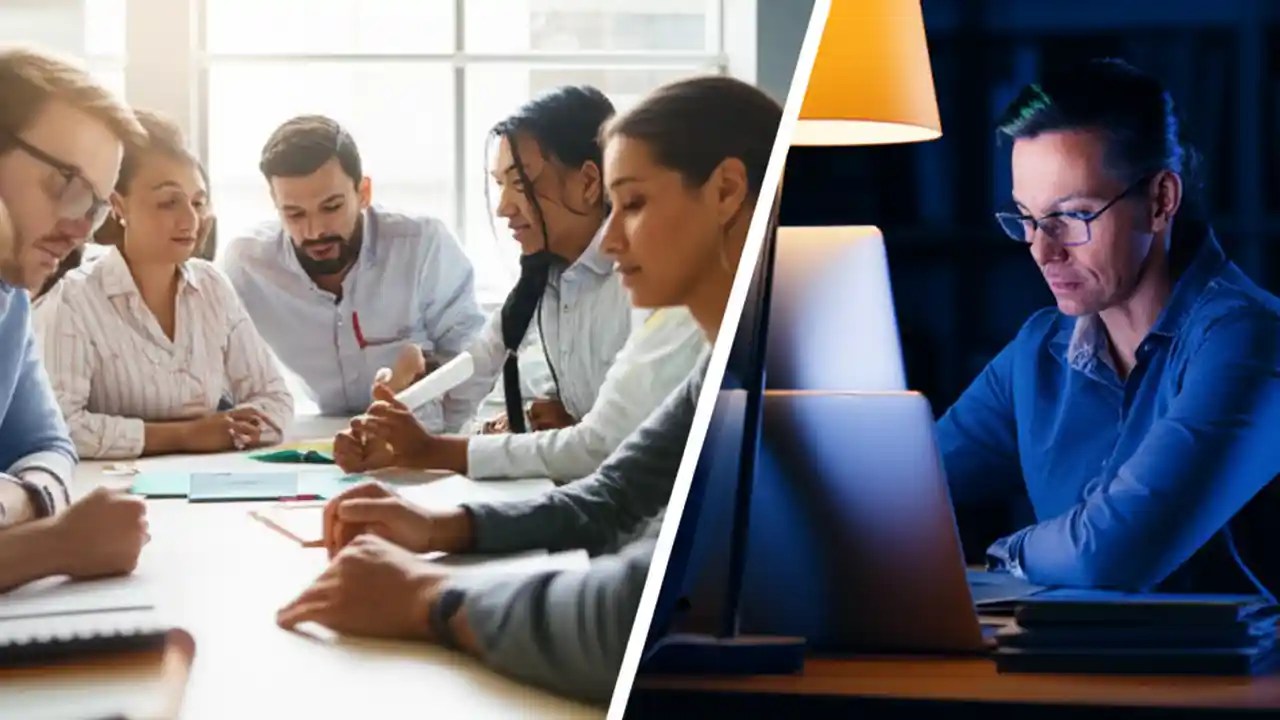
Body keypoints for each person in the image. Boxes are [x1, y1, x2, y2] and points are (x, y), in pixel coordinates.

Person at [276, 76, 782, 703]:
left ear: (728, 192)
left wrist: (425, 596)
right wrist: (437, 527)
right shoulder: (711, 361)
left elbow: (629, 606)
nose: (613, 237)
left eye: (634, 204)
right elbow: (609, 497)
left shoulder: (730, 343)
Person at [938, 59, 1280, 595]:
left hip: (1230, 678)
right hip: (1068, 672)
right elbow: (898, 495)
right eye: (1026, 218)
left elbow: (1109, 556)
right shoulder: (1037, 351)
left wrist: (1010, 553)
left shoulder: (1252, 341)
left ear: (1161, 200)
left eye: (1072, 216)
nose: (1042, 250)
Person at [330, 86, 706, 482]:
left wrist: (429, 449)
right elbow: (472, 376)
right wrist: (394, 428)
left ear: (590, 183)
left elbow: (605, 444)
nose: (503, 206)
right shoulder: (542, 282)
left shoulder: (651, 285)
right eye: (499, 184)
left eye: (521, 183)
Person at [34, 110, 294, 460]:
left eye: (198, 202)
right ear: (118, 205)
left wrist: (238, 430)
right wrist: (185, 435)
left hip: (209, 482)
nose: (190, 219)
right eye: (168, 202)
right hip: (106, 492)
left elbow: (275, 398)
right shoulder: (74, 300)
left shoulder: (212, 286)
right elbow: (61, 426)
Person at [220, 115, 485, 425]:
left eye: (331, 207)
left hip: (418, 432)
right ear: (275, 203)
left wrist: (419, 397)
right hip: (313, 440)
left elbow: (471, 360)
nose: (315, 230)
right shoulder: (246, 264)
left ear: (364, 193)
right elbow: (218, 371)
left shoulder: (423, 245)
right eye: (294, 213)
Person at [0, 47, 148, 592]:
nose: (80, 229)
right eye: (67, 186)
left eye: (96, 207)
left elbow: (48, 445)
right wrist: (54, 544)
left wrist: (22, 498)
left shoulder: (10, 299)